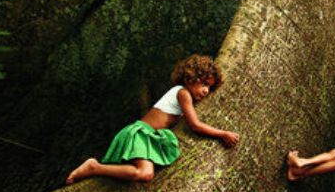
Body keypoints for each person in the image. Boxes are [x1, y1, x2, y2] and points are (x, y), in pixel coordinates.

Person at [66, 54, 239, 184]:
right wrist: (222, 133)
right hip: (140, 134)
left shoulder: (181, 93)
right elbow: (195, 125)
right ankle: (94, 167)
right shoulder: (183, 93)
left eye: (209, 86)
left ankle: (96, 168)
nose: (206, 90)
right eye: (203, 83)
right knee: (145, 173)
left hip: (144, 135)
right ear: (189, 78)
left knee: (143, 174)